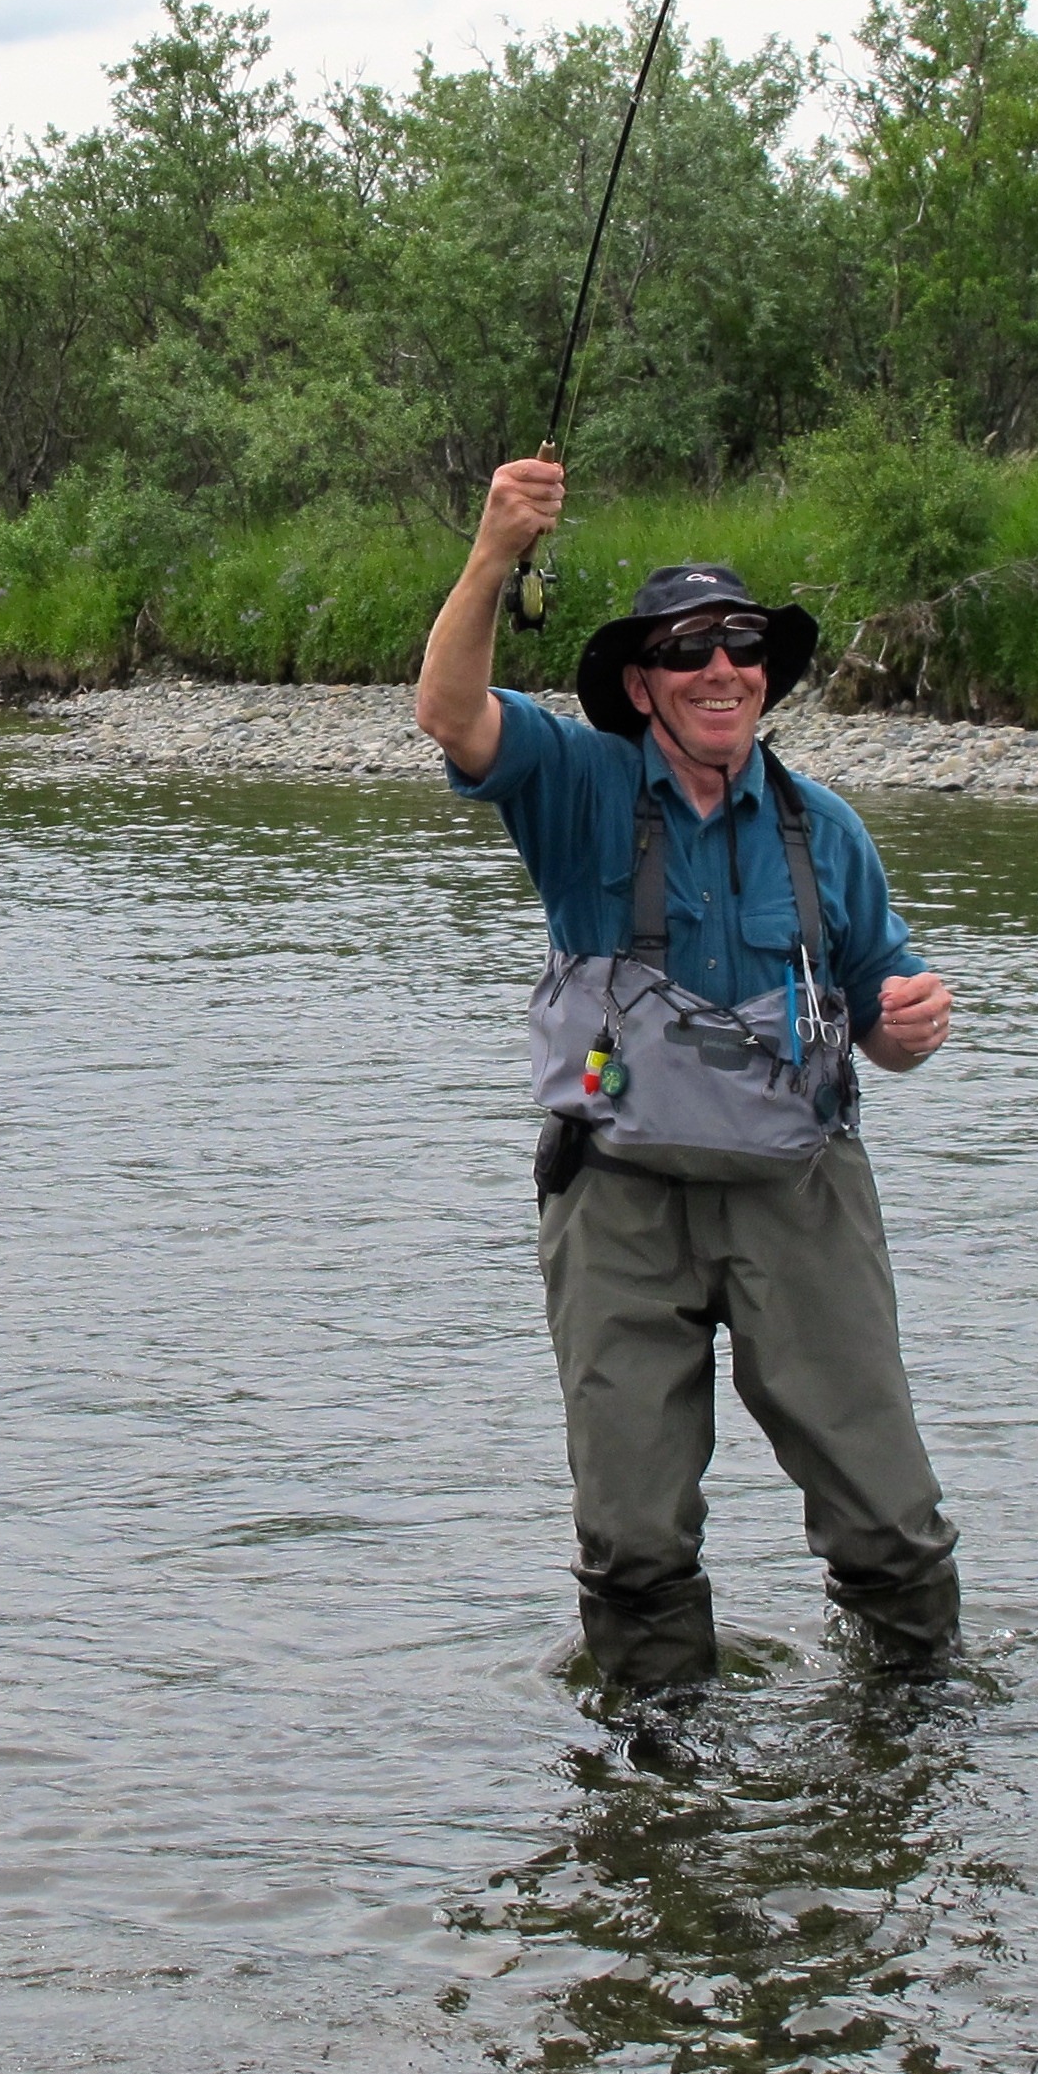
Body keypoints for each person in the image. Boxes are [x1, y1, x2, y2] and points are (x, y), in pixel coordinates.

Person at [415, 458, 960, 1692]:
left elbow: (881, 1002)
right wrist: (492, 552)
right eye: (688, 648)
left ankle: (917, 1714)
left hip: (799, 1194)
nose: (723, 668)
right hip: (616, 1196)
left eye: (744, 645)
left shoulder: (826, 826)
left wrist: (905, 1024)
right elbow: (449, 713)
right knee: (632, 1531)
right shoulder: (574, 781)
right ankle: (654, 1770)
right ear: (639, 684)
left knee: (884, 1510)